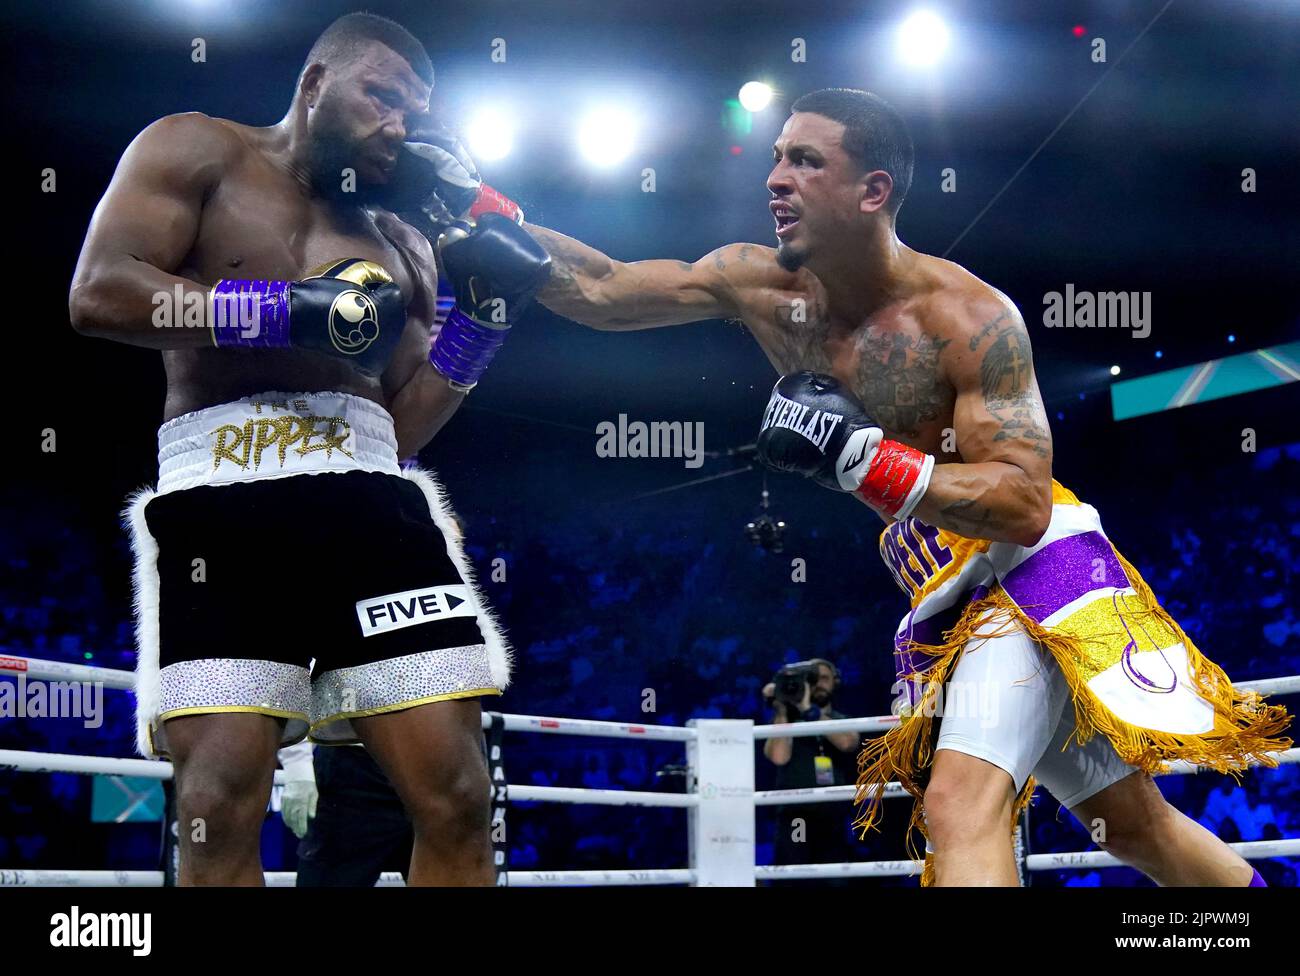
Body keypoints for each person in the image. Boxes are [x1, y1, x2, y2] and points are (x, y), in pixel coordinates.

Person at [522, 88, 1290, 885]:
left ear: (873, 190)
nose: (775, 178)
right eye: (778, 157)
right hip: (940, 585)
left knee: (961, 807)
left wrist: (871, 462)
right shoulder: (758, 284)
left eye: (805, 161)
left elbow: (1024, 505)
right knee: (1134, 828)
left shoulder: (967, 316)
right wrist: (478, 213)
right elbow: (604, 290)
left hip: (1030, 575)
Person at [68, 12, 549, 885]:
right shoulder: (196, 148)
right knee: (218, 807)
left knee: (456, 799)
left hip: (369, 498)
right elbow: (99, 292)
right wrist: (281, 311)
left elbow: (401, 424)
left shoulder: (404, 241)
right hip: (222, 495)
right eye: (382, 96)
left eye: (415, 114)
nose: (398, 126)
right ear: (316, 82)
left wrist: (483, 322)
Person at [762, 659, 858, 877]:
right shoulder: (787, 721)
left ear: (835, 682)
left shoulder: (841, 720)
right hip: (796, 816)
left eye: (824, 678)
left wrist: (809, 710)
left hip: (833, 815)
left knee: (834, 881)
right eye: (812, 679)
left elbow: (847, 742)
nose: (819, 684)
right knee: (794, 877)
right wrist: (781, 709)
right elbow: (778, 756)